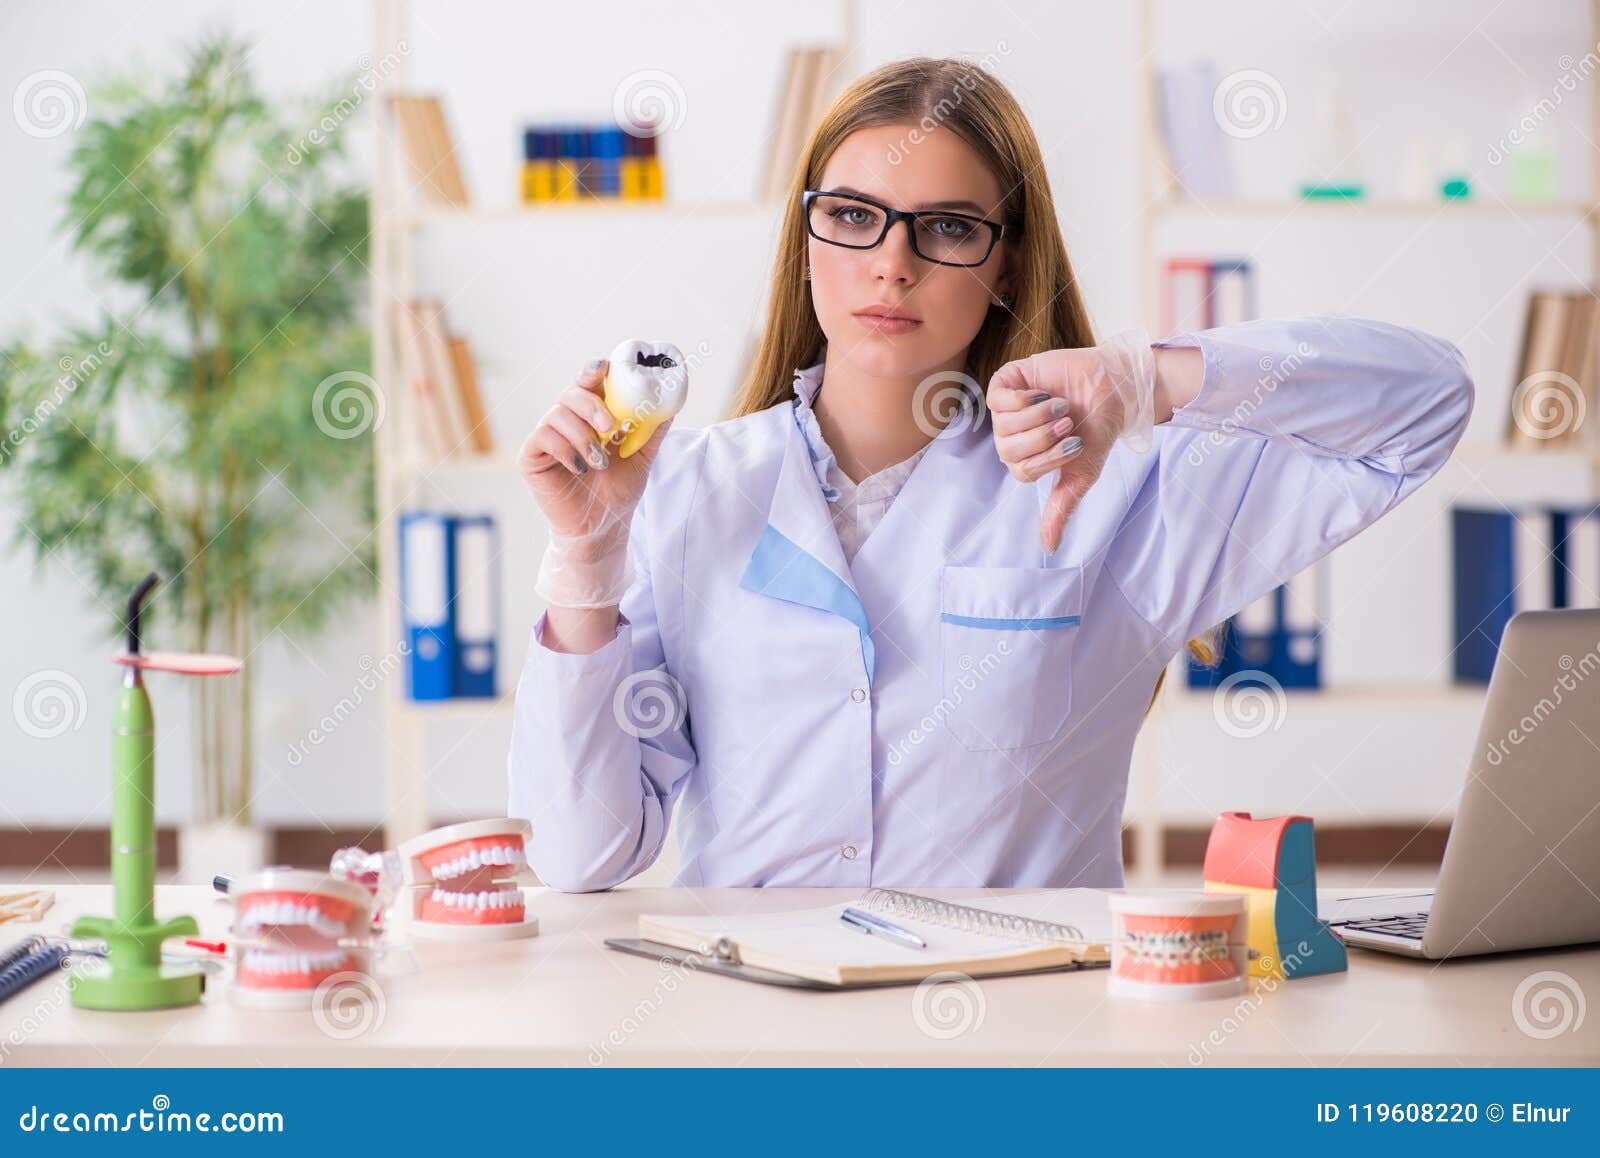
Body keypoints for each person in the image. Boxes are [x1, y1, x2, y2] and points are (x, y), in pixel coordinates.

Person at [510, 57, 1473, 891]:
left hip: (1024, 1038)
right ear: (807, 240)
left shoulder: (1123, 488)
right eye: (853, 217)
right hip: (760, 1038)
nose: (893, 265)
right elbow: (579, 854)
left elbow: (1425, 406)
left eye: (949, 229)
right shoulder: (687, 490)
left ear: (1009, 263)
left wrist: (1148, 379)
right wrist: (586, 558)